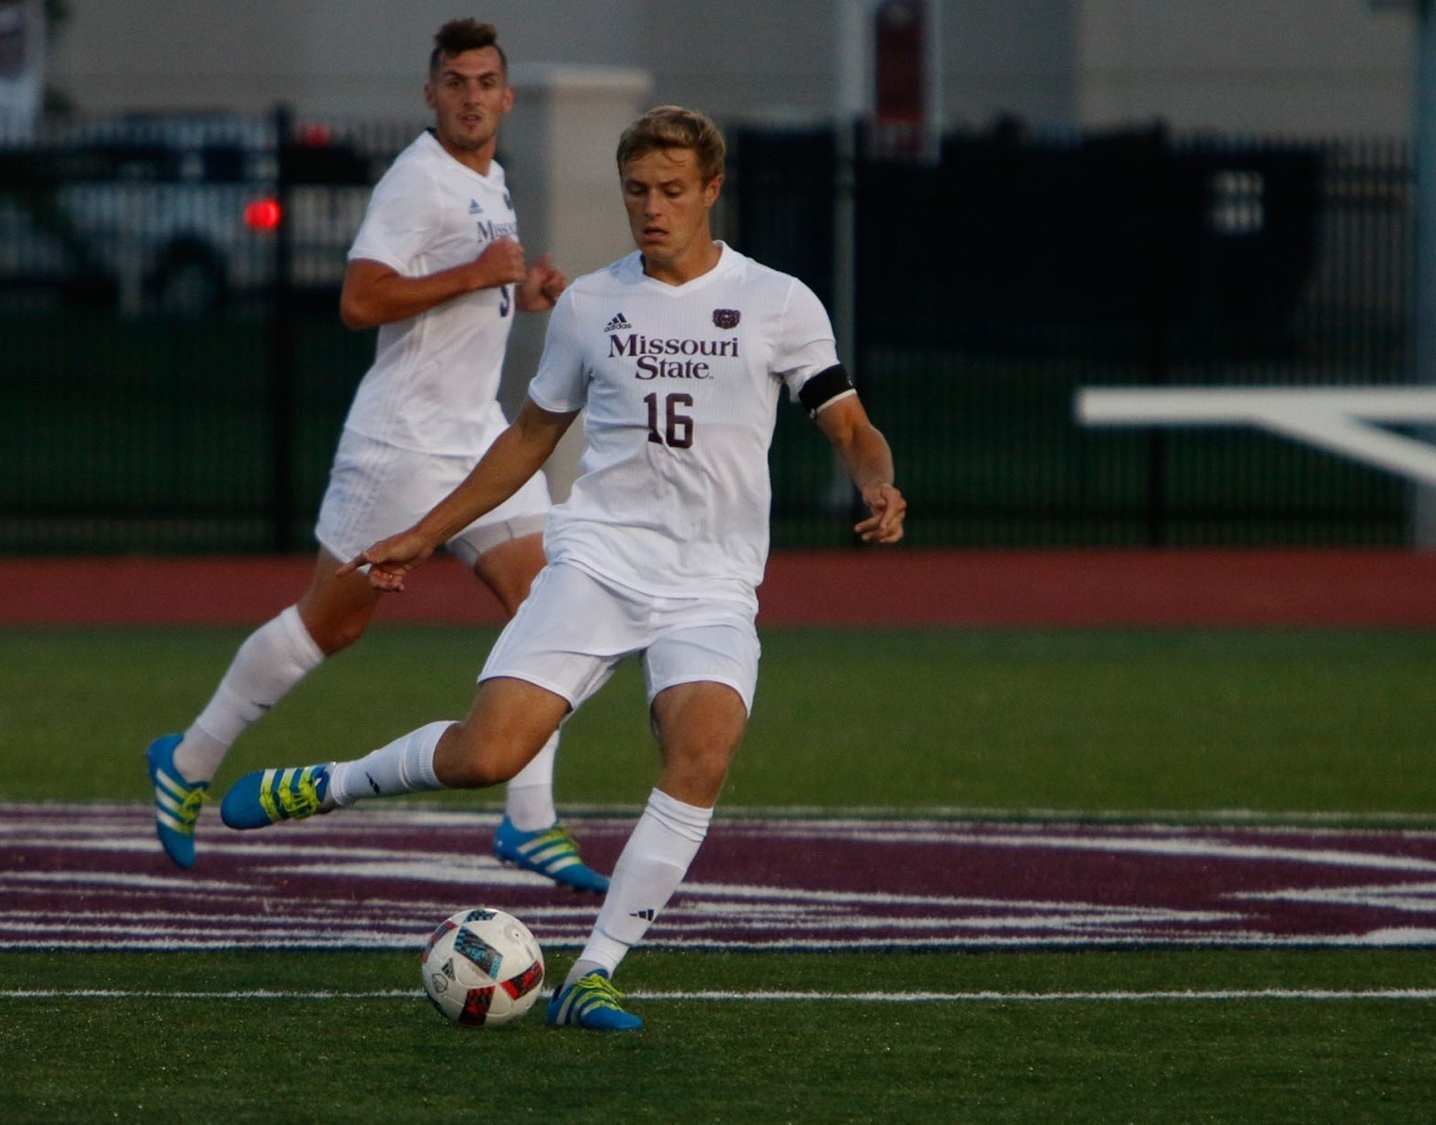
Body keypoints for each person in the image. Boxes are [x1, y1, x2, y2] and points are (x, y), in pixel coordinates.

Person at [217, 105, 905, 1031]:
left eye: (670, 190)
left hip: (709, 582)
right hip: (597, 560)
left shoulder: (780, 301)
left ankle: (595, 972)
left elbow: (849, 424)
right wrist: (423, 533)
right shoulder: (591, 302)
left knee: (701, 746)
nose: (651, 208)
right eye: (636, 190)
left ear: (711, 191)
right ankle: (331, 783)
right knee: (483, 755)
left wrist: (878, 482)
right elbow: (530, 438)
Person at [144, 18, 610, 894]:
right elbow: (361, 300)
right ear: (429, 96)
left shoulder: (490, 178)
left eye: (484, 82)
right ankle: (189, 756)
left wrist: (523, 288)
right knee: (335, 621)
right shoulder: (416, 180)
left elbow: (466, 292)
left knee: (548, 599)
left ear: (506, 96)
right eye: (455, 82)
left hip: (474, 431)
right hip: (399, 442)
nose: (471, 96)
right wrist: (481, 272)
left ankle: (530, 822)